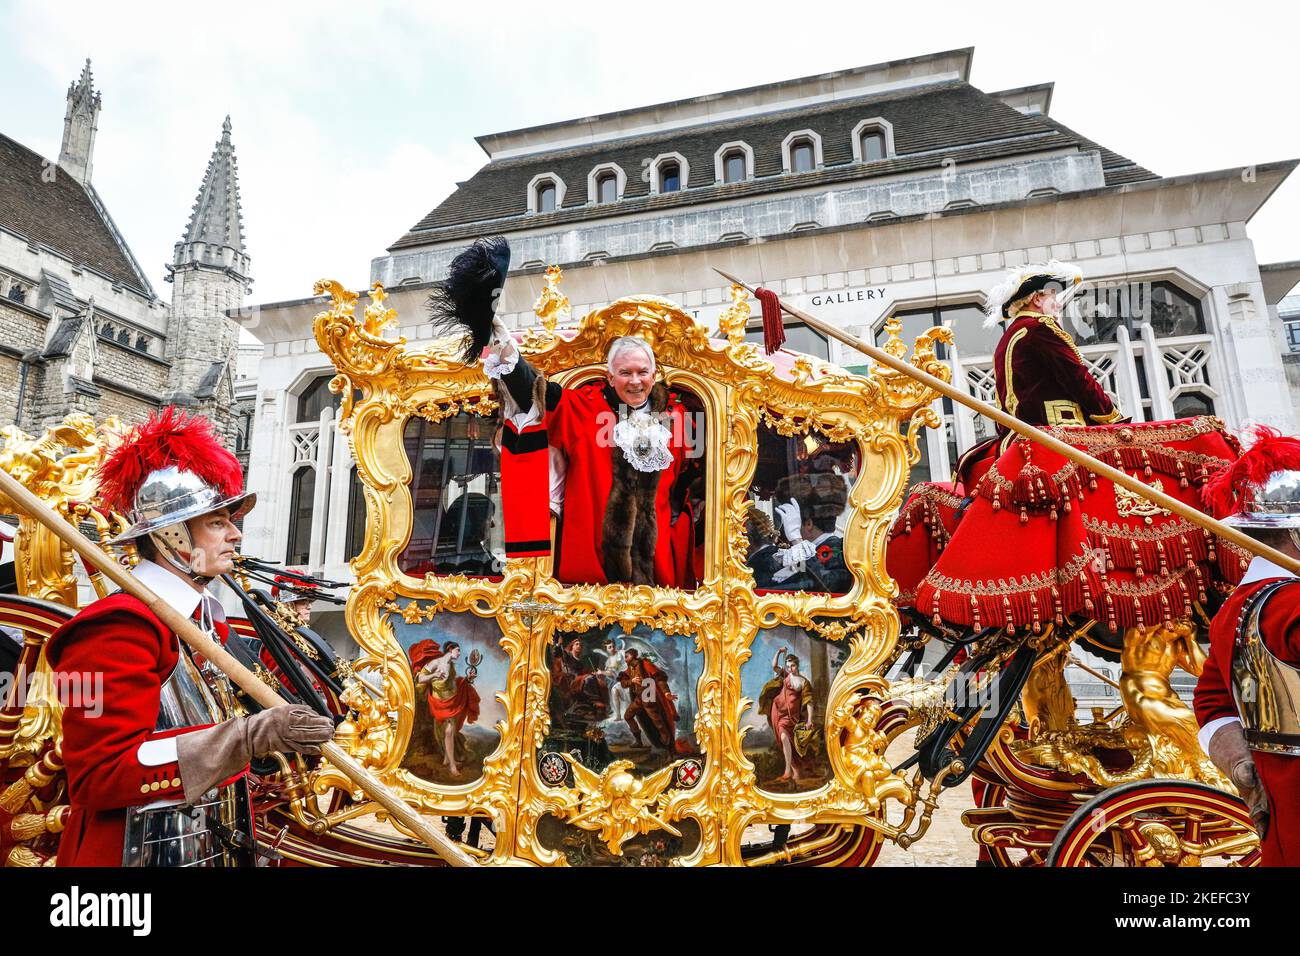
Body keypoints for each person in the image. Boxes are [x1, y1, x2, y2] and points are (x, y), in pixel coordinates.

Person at [44, 408, 334, 866]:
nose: (236, 534)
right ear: (172, 535)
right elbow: (100, 775)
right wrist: (244, 738)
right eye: (217, 522)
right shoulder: (116, 627)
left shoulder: (203, 620)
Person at [426, 237, 697, 587]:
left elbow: (695, 483)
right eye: (626, 373)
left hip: (661, 578)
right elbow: (534, 392)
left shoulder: (677, 417)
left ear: (654, 375)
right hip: (590, 578)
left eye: (642, 372)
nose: (635, 381)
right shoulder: (584, 407)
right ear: (610, 377)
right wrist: (499, 341)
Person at [1195, 428, 1300, 866]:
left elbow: (1211, 703)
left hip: (1281, 813)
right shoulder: (1292, 603)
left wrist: (1244, 764)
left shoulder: (1232, 610)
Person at [953, 262, 1124, 489]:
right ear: (1037, 299)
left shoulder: (1008, 337)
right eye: (1053, 296)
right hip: (1053, 436)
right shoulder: (1040, 328)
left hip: (1017, 436)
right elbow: (1078, 379)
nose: (1058, 303)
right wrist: (1113, 418)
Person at [410, 640, 481, 779]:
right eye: (458, 650)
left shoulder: (451, 666)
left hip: (452, 701)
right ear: (450, 649)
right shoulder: (436, 663)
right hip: (439, 703)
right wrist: (434, 675)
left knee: (448, 732)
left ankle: (449, 761)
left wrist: (467, 679)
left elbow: (453, 684)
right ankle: (452, 765)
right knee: (448, 732)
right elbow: (420, 678)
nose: (459, 653)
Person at [760, 647, 817, 784]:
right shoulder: (786, 675)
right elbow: (774, 666)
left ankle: (794, 770)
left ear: (797, 665)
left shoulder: (804, 682)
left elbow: (809, 702)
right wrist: (779, 652)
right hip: (777, 710)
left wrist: (809, 720)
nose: (790, 669)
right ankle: (788, 771)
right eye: (788, 666)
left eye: (793, 666)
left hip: (791, 716)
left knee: (788, 740)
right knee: (783, 738)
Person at [617, 648, 679, 753]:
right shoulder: (629, 669)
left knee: (659, 723)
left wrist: (666, 693)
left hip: (648, 696)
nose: (625, 658)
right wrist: (631, 681)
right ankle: (639, 741)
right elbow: (623, 683)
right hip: (639, 698)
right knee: (628, 716)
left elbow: (659, 679)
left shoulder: (645, 664)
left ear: (633, 656)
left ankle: (669, 748)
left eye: (627, 656)